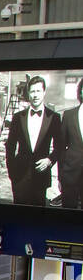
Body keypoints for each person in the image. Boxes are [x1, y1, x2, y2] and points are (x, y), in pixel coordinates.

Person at [4, 76, 60, 206]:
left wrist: (49, 160)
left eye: (38, 91)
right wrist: (11, 170)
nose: (35, 95)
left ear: (44, 92)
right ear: (28, 93)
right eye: (32, 91)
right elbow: (10, 146)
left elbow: (60, 146)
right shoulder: (18, 117)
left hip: (41, 176)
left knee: (37, 218)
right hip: (19, 176)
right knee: (18, 216)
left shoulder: (54, 117)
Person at [59, 77, 83, 209]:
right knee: (67, 216)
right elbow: (61, 147)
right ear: (80, 92)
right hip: (70, 175)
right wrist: (60, 177)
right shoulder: (68, 115)